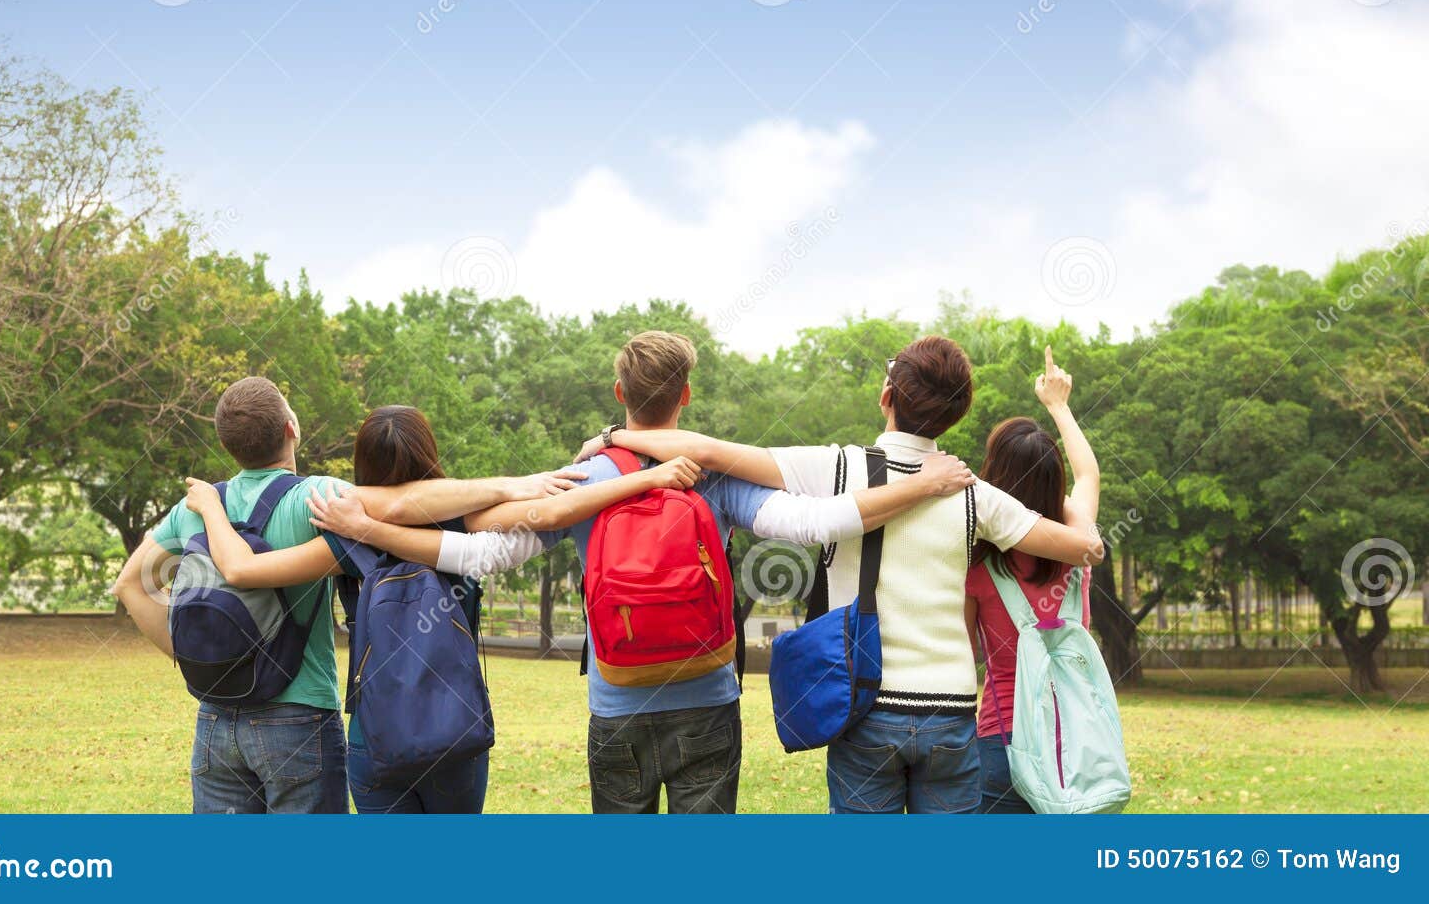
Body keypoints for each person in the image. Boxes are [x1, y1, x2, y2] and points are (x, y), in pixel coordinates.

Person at [313, 330, 979, 815]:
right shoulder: (714, 476)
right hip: (707, 699)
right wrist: (919, 485)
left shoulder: (584, 479)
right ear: (685, 395)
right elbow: (816, 523)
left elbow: (482, 555)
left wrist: (376, 530)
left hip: (618, 702)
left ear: (619, 394)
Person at [574, 334, 1104, 814]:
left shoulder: (838, 468)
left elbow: (707, 450)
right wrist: (1066, 504)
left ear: (886, 396)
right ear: (956, 414)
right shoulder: (973, 493)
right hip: (950, 713)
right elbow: (1085, 547)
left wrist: (613, 437)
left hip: (866, 706)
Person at [182, 402, 699, 813]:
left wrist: (211, 507)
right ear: (429, 456)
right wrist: (639, 474)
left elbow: (247, 570)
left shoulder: (340, 536)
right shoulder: (464, 521)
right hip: (455, 729)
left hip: (374, 736)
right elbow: (552, 511)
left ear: (363, 464)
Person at [112, 378, 584, 814]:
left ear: (226, 443)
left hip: (214, 721)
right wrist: (511, 484)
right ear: (291, 428)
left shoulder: (195, 506)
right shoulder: (314, 498)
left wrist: (199, 661)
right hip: (296, 715)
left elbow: (130, 585)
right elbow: (403, 503)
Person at [965, 347, 1101, 814]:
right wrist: (1058, 405)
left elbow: (966, 656)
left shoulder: (976, 563)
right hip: (1076, 741)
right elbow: (1088, 474)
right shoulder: (1077, 548)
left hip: (1002, 739)